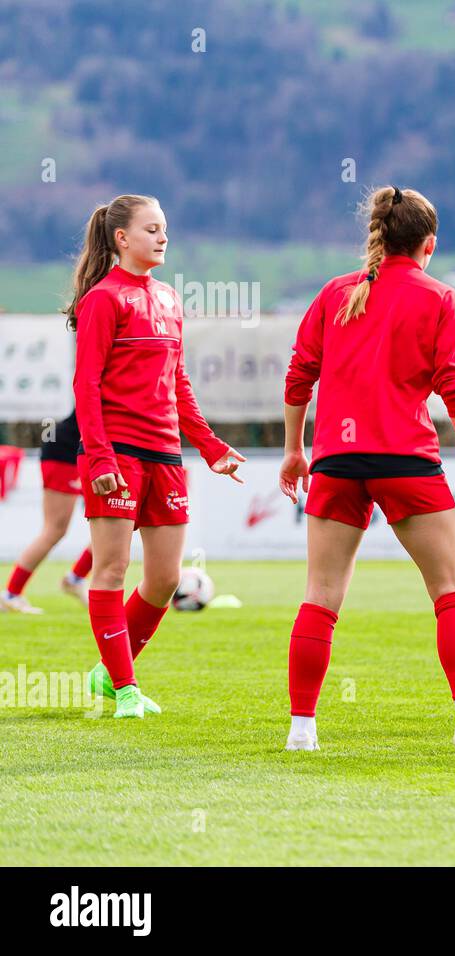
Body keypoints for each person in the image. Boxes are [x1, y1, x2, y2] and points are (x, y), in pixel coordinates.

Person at [279, 186, 455, 754]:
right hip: (405, 459)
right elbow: (454, 385)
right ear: (429, 244)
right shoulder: (440, 298)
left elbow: (299, 375)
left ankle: (301, 731)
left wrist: (295, 448)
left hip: (337, 462)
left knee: (320, 596)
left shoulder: (337, 291)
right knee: (450, 590)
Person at [69, 195, 244, 719]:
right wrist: (99, 459)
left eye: (165, 228)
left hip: (165, 453)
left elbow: (179, 383)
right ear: (121, 238)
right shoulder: (103, 299)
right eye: (151, 229)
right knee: (112, 569)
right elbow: (87, 384)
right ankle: (125, 689)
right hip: (116, 453)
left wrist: (210, 447)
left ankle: (108, 671)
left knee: (165, 579)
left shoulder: (168, 298)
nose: (163, 237)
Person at [1, 409, 94, 613]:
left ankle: (75, 579)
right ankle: (10, 594)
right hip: (66, 451)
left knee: (118, 525)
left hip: (89, 451)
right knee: (55, 530)